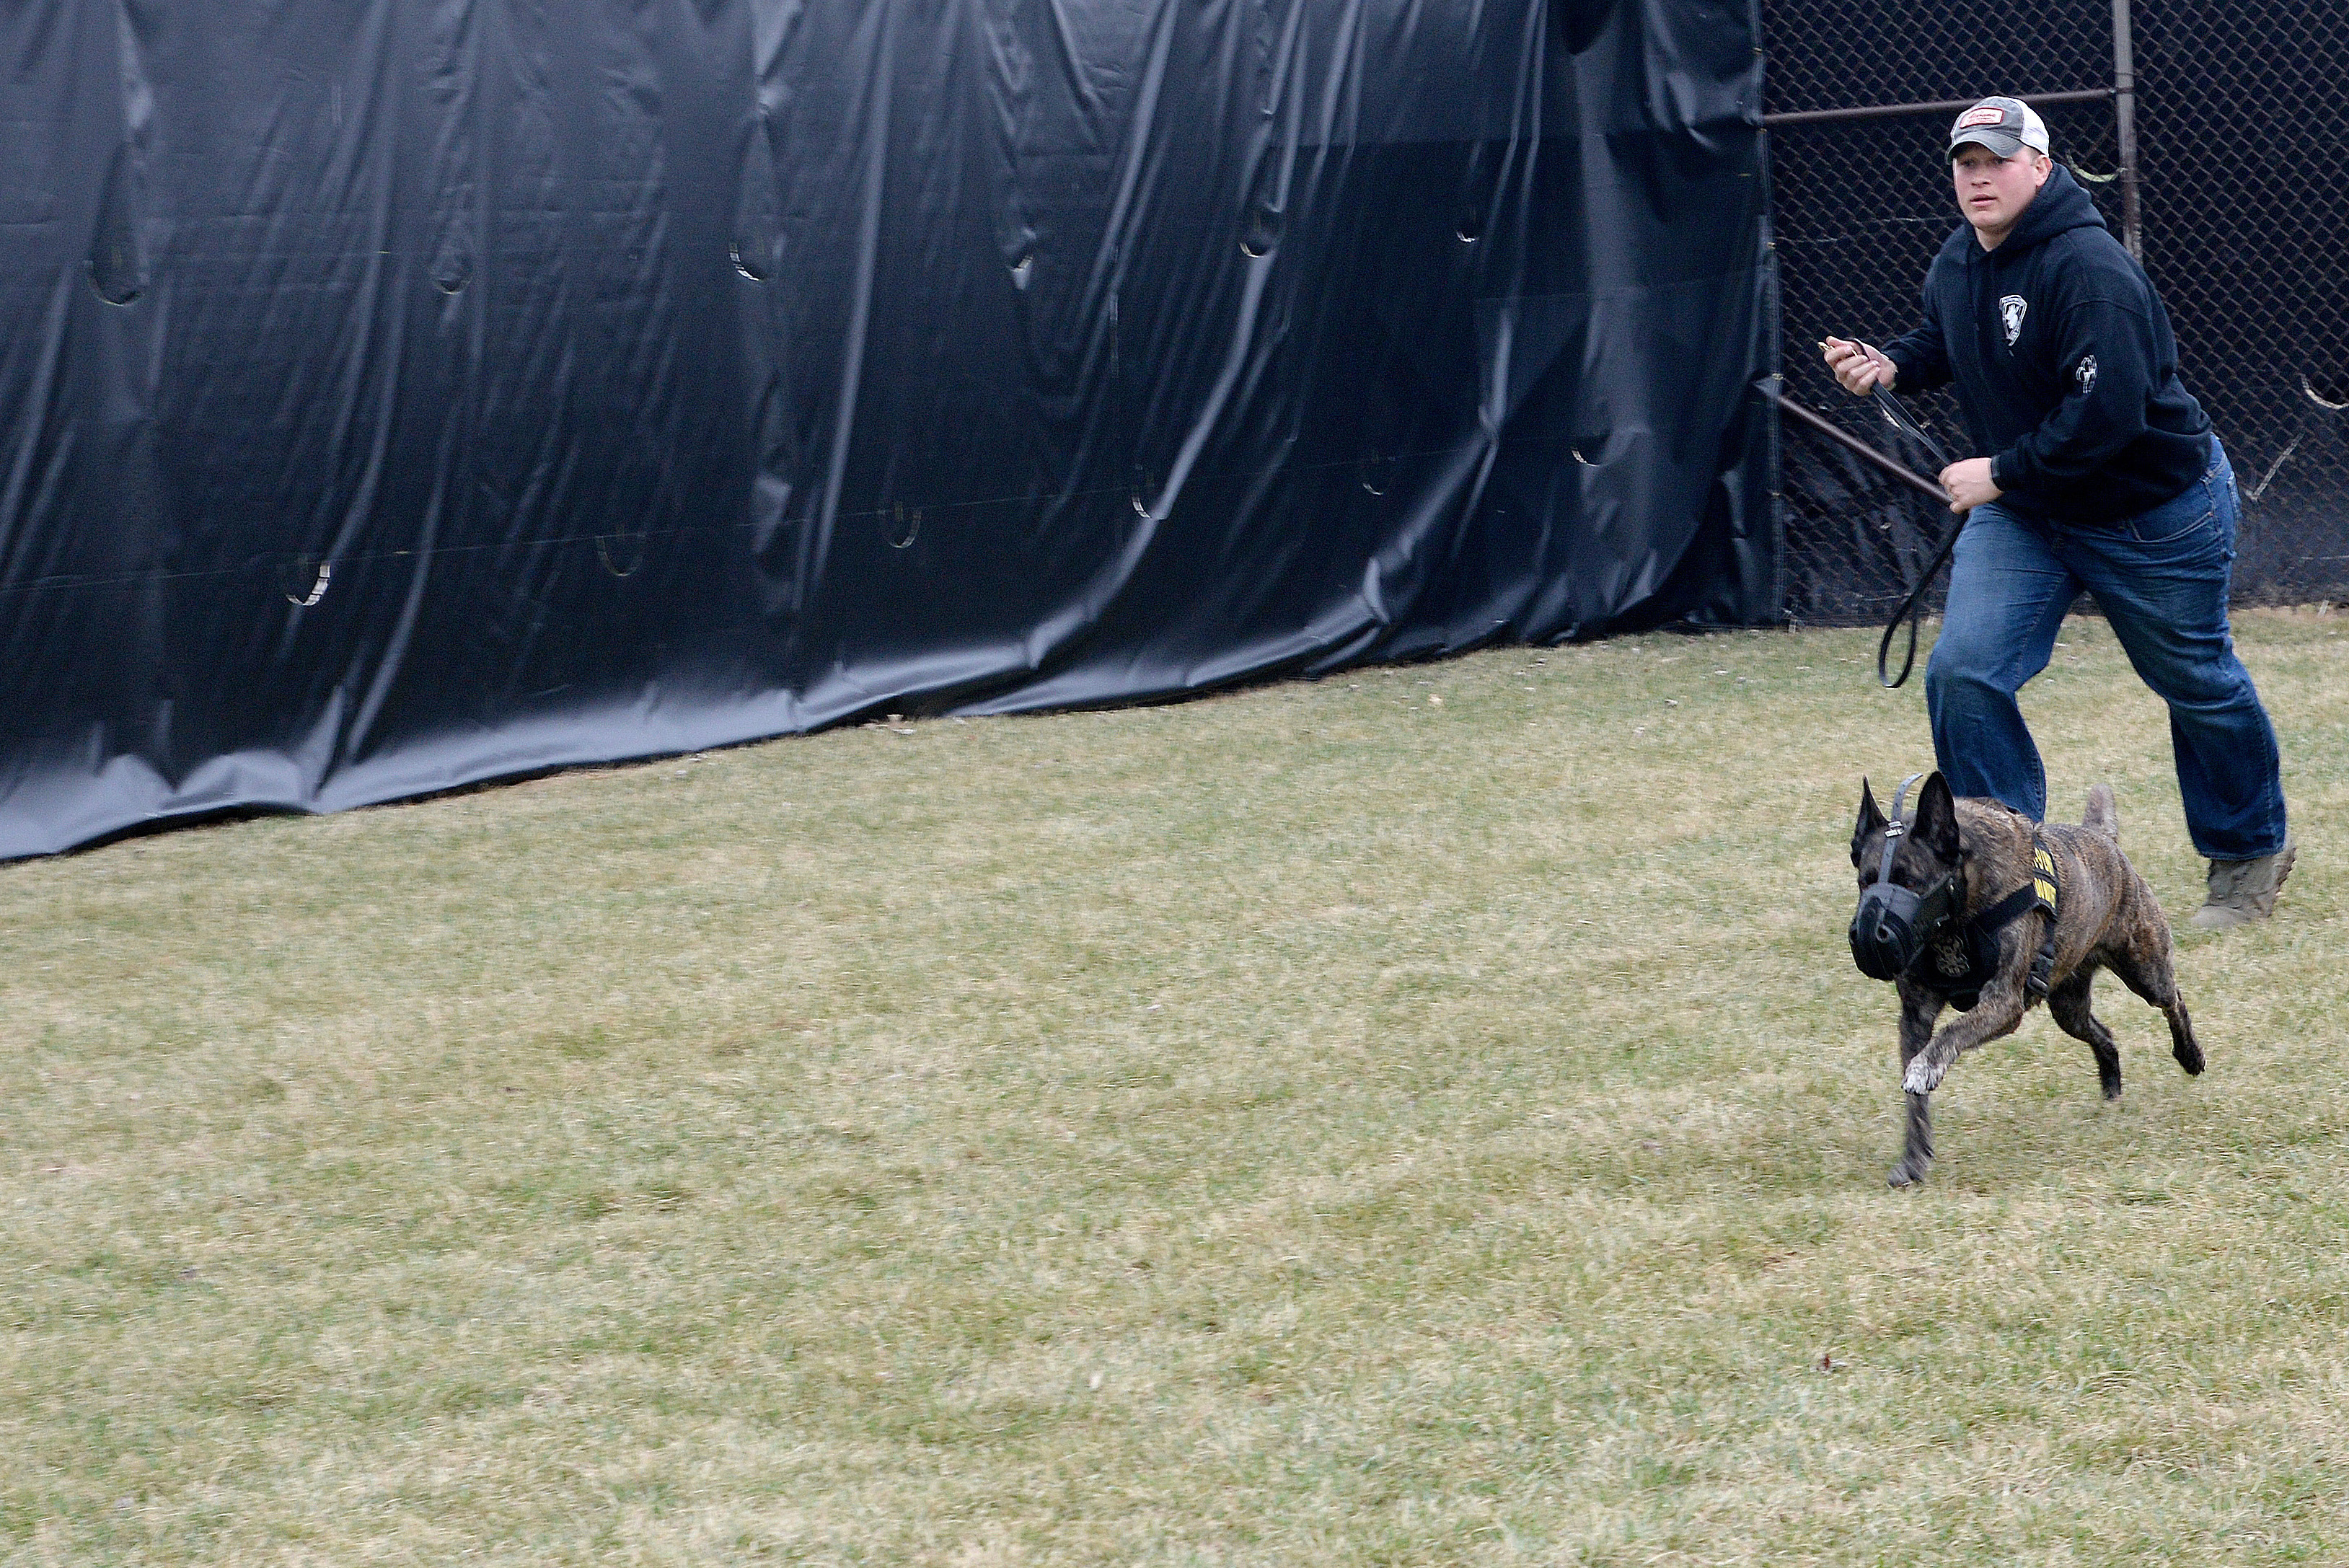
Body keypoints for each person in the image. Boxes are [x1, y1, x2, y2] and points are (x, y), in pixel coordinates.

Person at [1821, 95, 2293, 930]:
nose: (1977, 178)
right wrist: (1889, 363)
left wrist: (1998, 471)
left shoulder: (2088, 270)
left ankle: (2247, 854)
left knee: (2193, 681)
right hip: (2030, 510)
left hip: (2151, 509)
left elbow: (2107, 415)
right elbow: (1947, 338)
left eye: (1995, 161)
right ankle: (2007, 876)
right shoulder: (1958, 261)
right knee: (1963, 671)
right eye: (1964, 164)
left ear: (2040, 167)